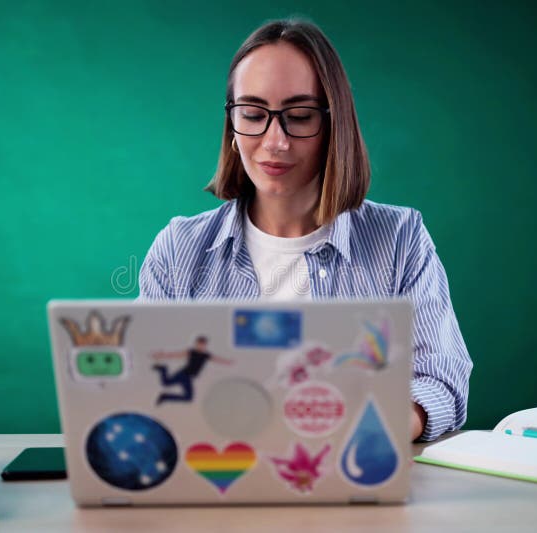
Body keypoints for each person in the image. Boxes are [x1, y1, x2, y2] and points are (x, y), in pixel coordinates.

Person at [139, 19, 472, 441]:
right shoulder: (178, 249)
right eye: (253, 115)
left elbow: (441, 380)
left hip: (356, 483)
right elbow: (149, 391)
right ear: (232, 122)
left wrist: (375, 426)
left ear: (335, 124)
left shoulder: (400, 239)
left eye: (298, 116)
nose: (274, 141)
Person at [151, 336, 233, 404]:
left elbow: (217, 359)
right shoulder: (191, 352)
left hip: (188, 378)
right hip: (183, 374)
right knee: (167, 384)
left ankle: (165, 392)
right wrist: (162, 355)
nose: (201, 346)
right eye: (199, 344)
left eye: (203, 345)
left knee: (187, 397)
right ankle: (163, 370)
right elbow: (175, 354)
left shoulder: (206, 355)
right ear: (196, 344)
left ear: (205, 345)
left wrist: (228, 362)